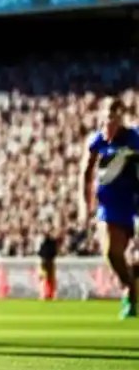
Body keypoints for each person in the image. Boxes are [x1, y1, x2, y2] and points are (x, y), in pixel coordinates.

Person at [78, 96, 139, 319]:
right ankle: (129, 288)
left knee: (128, 257)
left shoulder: (135, 138)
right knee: (111, 253)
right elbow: (85, 173)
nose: (108, 125)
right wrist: (84, 205)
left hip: (133, 200)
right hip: (110, 203)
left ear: (121, 118)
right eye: (104, 120)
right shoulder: (97, 141)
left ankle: (132, 281)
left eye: (112, 119)